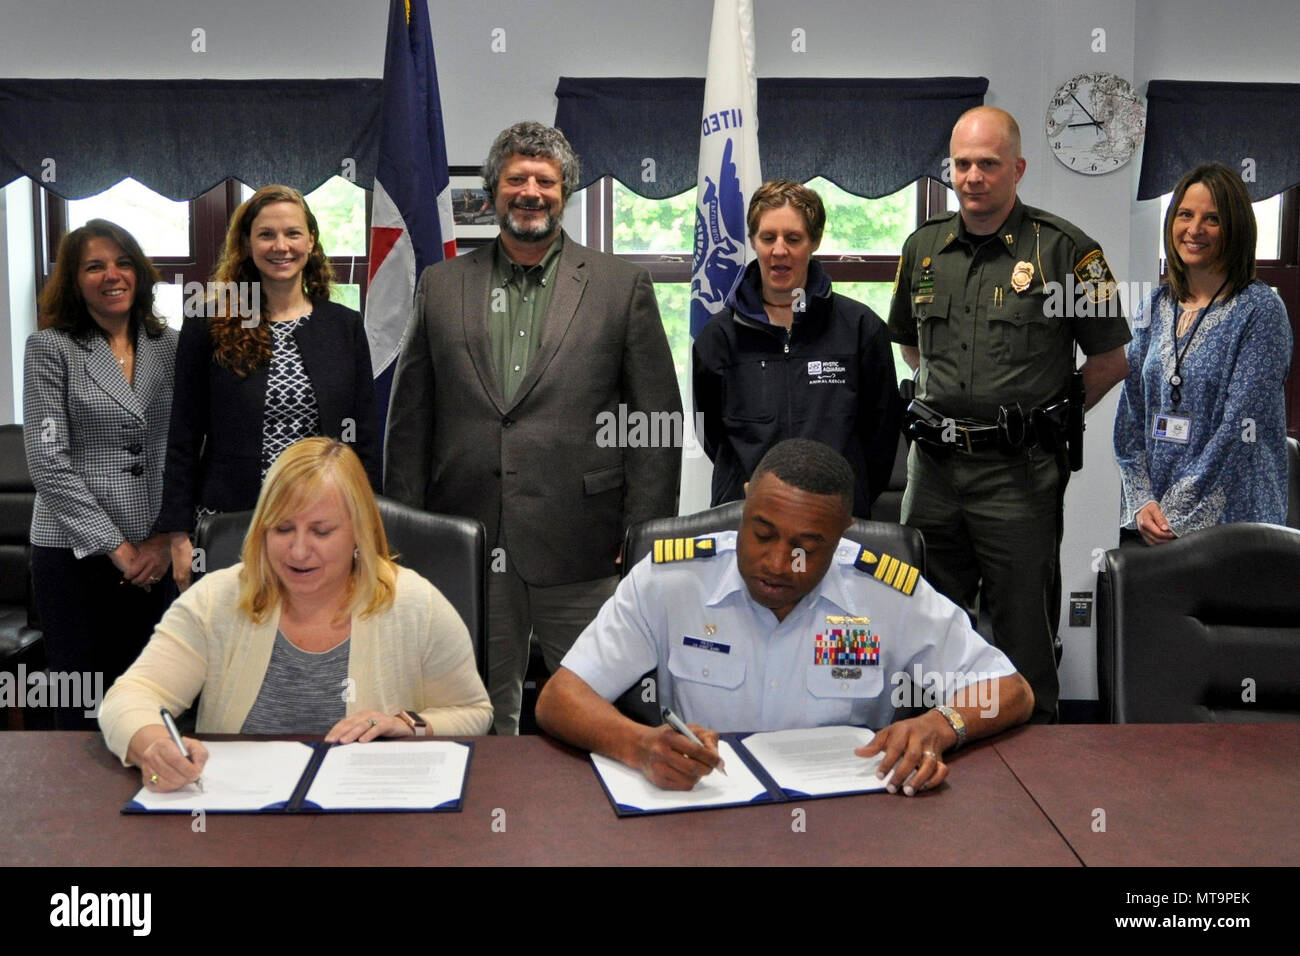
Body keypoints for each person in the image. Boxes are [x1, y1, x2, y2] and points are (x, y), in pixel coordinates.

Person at [385, 121, 683, 735]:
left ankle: (588, 829)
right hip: (465, 536)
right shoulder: (441, 285)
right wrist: (407, 531)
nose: (530, 191)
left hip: (583, 540)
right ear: (494, 191)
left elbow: (654, 421)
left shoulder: (619, 286)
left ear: (565, 192)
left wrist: (644, 532)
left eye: (545, 180)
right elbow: (411, 418)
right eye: (516, 178)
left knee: (596, 706)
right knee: (475, 714)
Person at [536, 439, 1034, 794]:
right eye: (764, 533)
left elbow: (1011, 691)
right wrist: (642, 745)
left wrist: (942, 723)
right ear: (747, 501)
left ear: (844, 533)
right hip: (707, 806)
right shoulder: (670, 581)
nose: (777, 563)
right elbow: (560, 698)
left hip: (846, 818)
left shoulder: (884, 594)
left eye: (807, 546)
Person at [887, 106, 1131, 723]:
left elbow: (1109, 360)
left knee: (1023, 632)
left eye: (988, 164)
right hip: (933, 473)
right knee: (926, 626)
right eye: (962, 163)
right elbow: (912, 346)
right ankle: (930, 743)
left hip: (1018, 477)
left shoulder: (1070, 252)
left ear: (1017, 169)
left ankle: (1036, 777)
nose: (972, 176)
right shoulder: (921, 249)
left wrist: (1047, 416)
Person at [99, 438, 492, 792]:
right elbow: (129, 697)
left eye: (321, 532)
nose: (299, 551)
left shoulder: (414, 603)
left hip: (369, 827)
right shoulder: (216, 600)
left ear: (360, 532)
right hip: (237, 825)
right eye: (283, 529)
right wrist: (153, 745)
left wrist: (408, 725)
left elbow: (473, 713)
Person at [160, 184, 381, 591]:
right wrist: (178, 534)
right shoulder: (208, 321)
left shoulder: (343, 326)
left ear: (311, 242)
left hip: (324, 523)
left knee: (313, 641)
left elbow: (363, 438)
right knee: (237, 646)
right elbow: (183, 435)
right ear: (246, 245)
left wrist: (367, 527)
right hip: (233, 522)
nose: (281, 246)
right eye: (266, 234)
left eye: (293, 233)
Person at [23, 220, 178, 729]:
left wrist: (161, 540)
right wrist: (119, 548)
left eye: (123, 262)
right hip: (74, 552)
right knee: (80, 702)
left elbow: (188, 444)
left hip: (154, 552)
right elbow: (49, 461)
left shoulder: (172, 347)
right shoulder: (51, 349)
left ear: (140, 273)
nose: (112, 275)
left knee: (152, 694)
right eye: (94, 266)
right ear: (74, 280)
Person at [693, 180, 901, 517]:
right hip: (747, 516)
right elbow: (712, 434)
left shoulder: (862, 329)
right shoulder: (718, 337)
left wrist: (848, 493)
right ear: (752, 241)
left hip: (835, 519)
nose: (779, 251)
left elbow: (881, 437)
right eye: (767, 238)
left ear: (814, 242)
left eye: (793, 239)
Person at [1115, 163, 1292, 544]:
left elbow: (1240, 431)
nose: (1194, 229)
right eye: (1185, 214)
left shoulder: (1260, 311)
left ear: (1236, 228)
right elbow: (1130, 416)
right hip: (1152, 522)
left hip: (1235, 525)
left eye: (1212, 219)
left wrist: (1174, 515)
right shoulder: (1155, 305)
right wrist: (1143, 501)